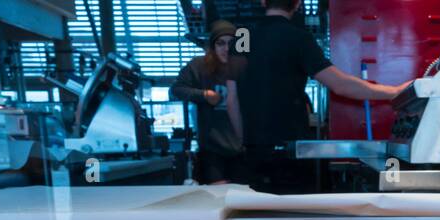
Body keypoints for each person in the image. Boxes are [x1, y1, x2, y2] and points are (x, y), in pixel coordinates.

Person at [226, 0, 410, 192]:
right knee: (294, 217)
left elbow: (232, 99)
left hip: (254, 153)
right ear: (297, 4)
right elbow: (340, 85)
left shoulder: (242, 37)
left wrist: (245, 142)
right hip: (290, 152)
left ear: (263, 1)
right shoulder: (298, 38)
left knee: (254, 217)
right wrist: (394, 92)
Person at [170, 20, 243, 184]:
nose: (226, 49)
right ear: (213, 47)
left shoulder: (245, 66)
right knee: (217, 197)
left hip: (242, 148)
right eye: (221, 43)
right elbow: (176, 90)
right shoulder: (199, 66)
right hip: (212, 148)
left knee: (243, 196)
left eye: (231, 43)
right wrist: (203, 94)